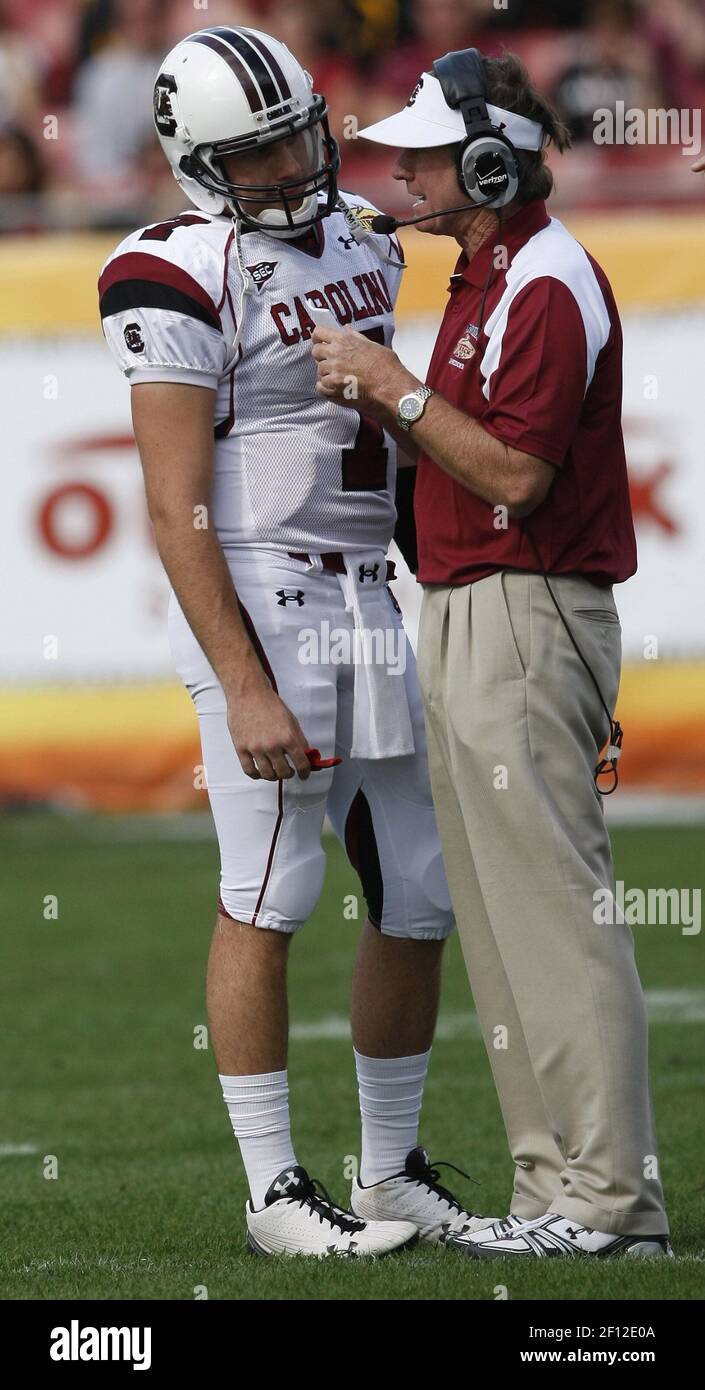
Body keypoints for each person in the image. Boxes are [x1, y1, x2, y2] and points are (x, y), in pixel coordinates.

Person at [99, 24, 504, 1258]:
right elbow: (175, 509)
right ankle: (274, 1191)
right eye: (259, 150)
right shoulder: (174, 267)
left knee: (419, 892)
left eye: (296, 134)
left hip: (365, 591)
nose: (290, 161)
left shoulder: (359, 239)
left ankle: (388, 1171)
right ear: (198, 161)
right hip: (264, 595)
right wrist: (243, 682)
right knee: (271, 886)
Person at [312, 48, 672, 1259]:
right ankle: (554, 1192)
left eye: (426, 153)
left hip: (528, 605)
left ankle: (610, 1206)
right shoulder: (492, 270)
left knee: (553, 917)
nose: (404, 173)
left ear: (489, 161)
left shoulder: (548, 279)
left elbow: (517, 474)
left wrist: (392, 391)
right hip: (475, 605)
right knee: (505, 920)